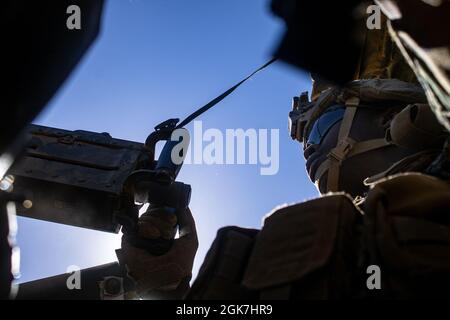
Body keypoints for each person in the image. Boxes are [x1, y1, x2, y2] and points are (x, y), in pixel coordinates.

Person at [117, 7, 450, 299]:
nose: (315, 154)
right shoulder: (359, 245)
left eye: (324, 128)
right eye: (308, 143)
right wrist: (170, 288)